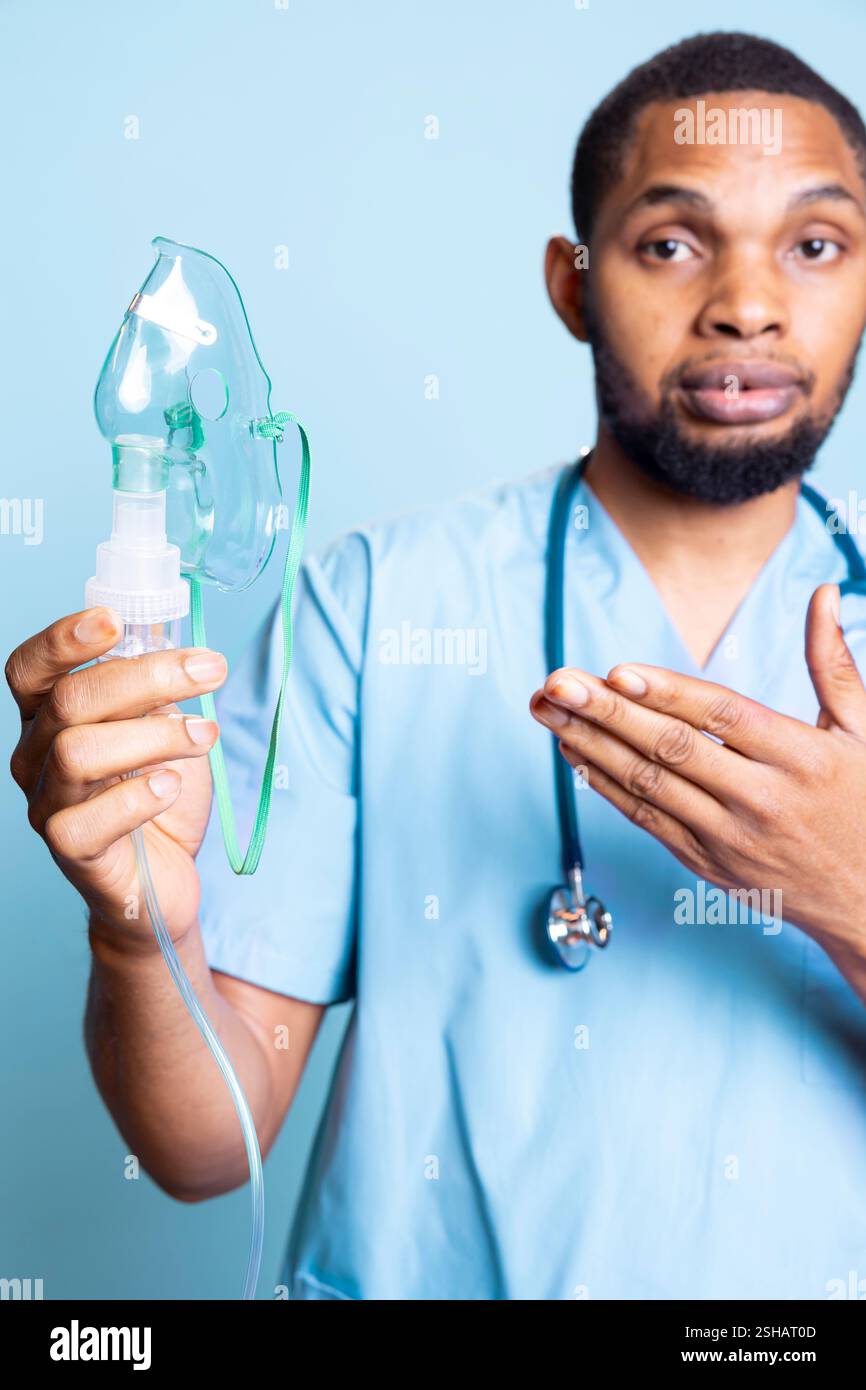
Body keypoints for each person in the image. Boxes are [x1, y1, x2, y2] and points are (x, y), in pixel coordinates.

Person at [8, 30, 866, 1300]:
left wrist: (848, 885)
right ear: (571, 285)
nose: (745, 302)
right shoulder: (378, 605)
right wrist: (145, 938)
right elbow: (199, 1147)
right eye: (671, 242)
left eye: (813, 244)